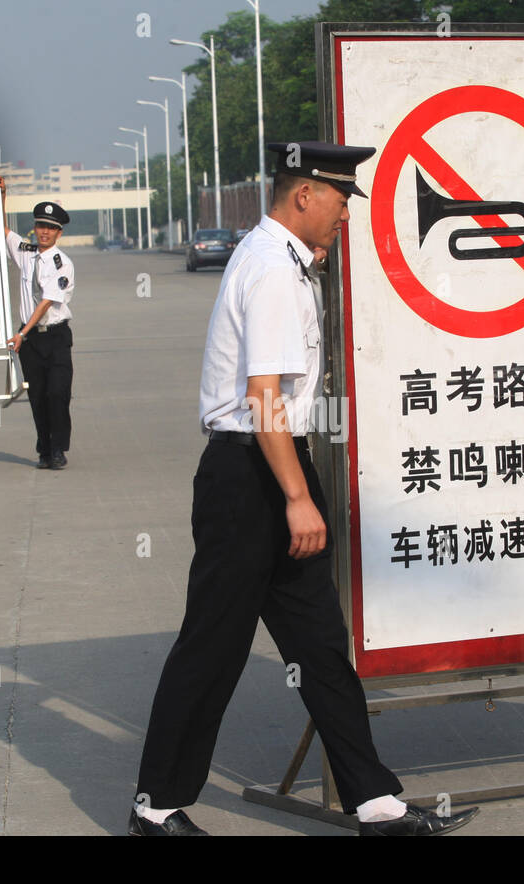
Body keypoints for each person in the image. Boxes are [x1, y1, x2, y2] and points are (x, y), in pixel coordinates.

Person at [128, 141, 479, 836]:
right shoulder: (269, 270)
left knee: (319, 645)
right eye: (342, 200)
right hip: (249, 476)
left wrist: (296, 488)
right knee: (213, 646)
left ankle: (375, 803)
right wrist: (295, 497)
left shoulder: (288, 263)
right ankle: (156, 806)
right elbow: (262, 399)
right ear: (304, 196)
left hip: (273, 464)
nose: (346, 214)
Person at [0, 178, 76, 470]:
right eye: (41, 225)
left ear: (59, 233)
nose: (45, 231)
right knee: (38, 397)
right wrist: (1, 195)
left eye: (51, 227)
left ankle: (58, 448)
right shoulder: (26, 253)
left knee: (58, 393)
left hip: (55, 337)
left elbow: (45, 304)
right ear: (35, 228)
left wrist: (20, 333)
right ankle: (44, 449)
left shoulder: (61, 263)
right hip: (31, 343)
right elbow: (0, 230)